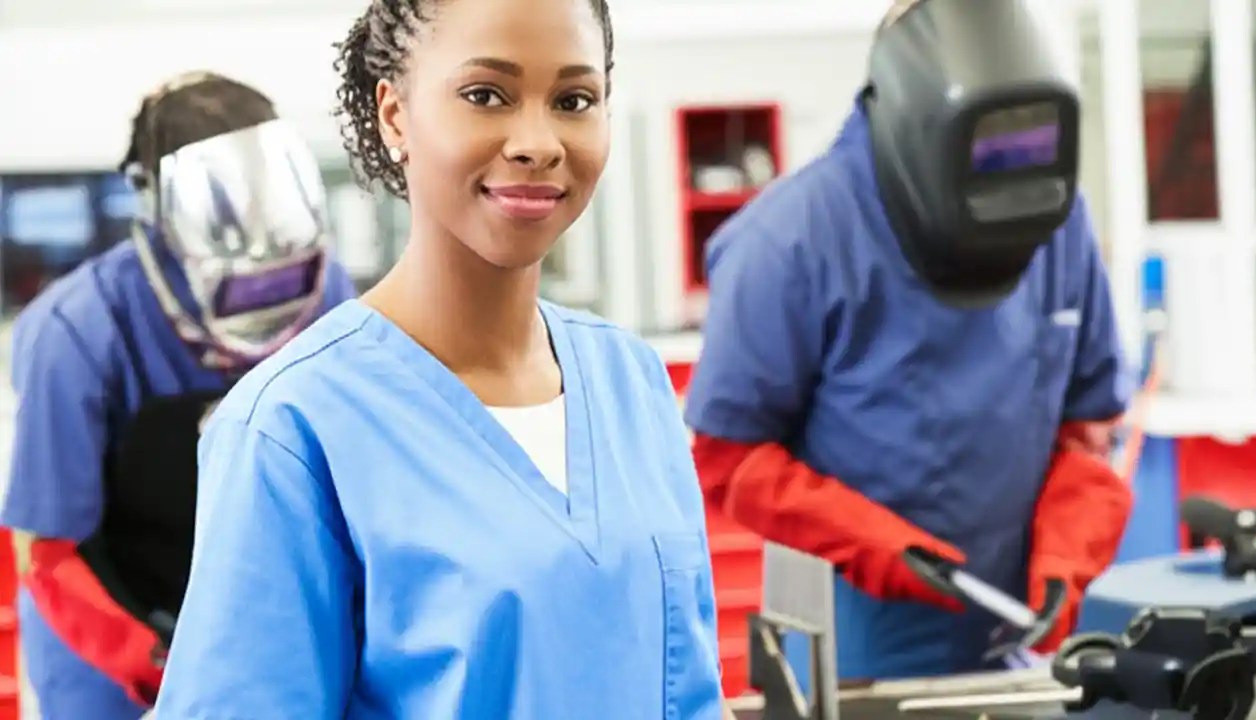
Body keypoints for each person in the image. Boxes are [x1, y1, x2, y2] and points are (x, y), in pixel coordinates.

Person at [154, 1, 734, 718]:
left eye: (574, 100)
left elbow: (690, 686)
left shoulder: (630, 380)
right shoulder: (292, 426)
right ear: (395, 116)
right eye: (486, 95)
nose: (538, 141)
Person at [684, 0, 1136, 681]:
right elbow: (730, 459)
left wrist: (1069, 551)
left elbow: (1090, 425)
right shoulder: (788, 241)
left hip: (1023, 633)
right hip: (860, 646)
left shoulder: (1054, 213)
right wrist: (876, 546)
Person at [1, 71, 357, 720]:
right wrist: (171, 665)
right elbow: (47, 550)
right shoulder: (75, 332)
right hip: (113, 648)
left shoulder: (327, 289)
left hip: (263, 621)